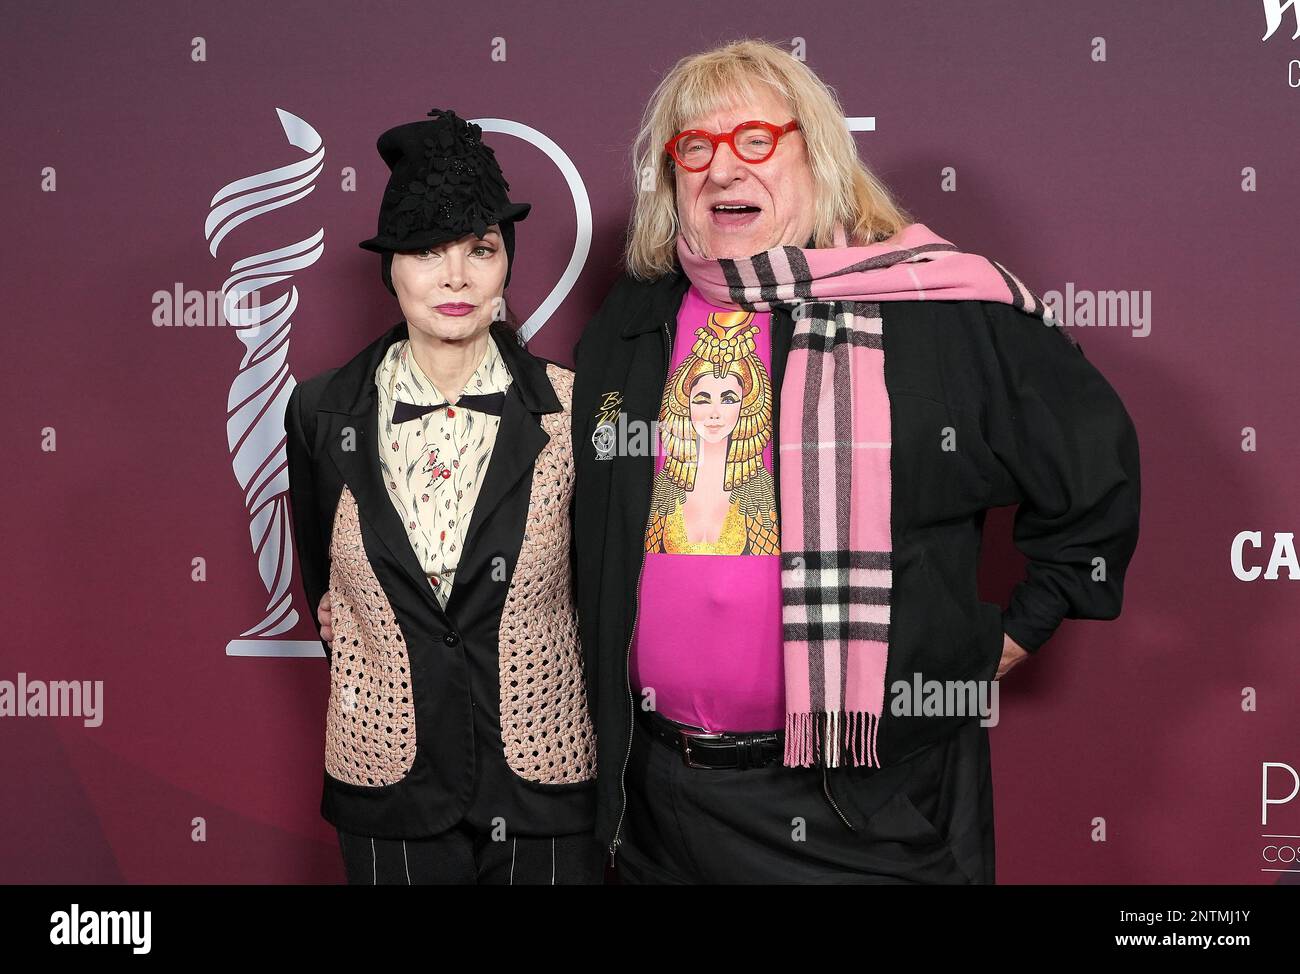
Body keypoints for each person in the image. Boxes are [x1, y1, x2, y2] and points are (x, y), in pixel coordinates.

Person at [571, 40, 1141, 883]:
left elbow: (1095, 480)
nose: (724, 170)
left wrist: (992, 646)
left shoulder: (934, 307)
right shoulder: (635, 317)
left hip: (858, 807)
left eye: (756, 140)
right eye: (696, 147)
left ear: (820, 154)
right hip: (653, 804)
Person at [285, 107, 600, 884]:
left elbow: (604, 591)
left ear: (506, 265)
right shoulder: (322, 410)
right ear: (389, 266)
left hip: (542, 776)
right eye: (428, 251)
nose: (455, 277)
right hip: (387, 777)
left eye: (480, 250)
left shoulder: (575, 407)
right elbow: (328, 593)